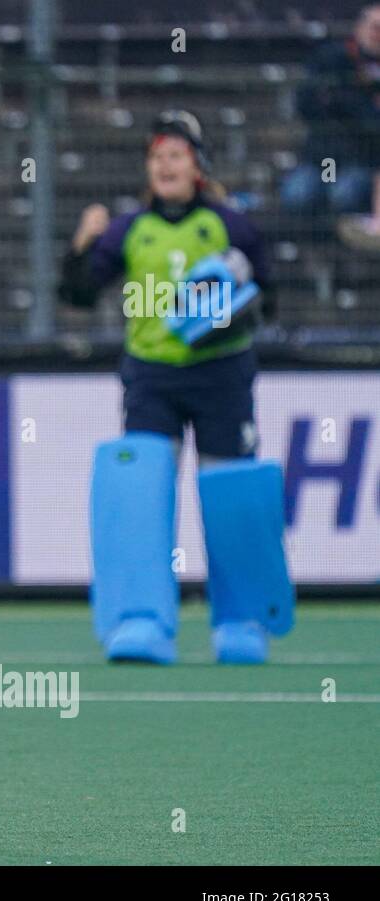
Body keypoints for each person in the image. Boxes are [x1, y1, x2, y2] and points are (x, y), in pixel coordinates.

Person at [59, 110, 294, 665]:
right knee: (141, 490)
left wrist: (236, 304)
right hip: (152, 375)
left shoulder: (230, 225)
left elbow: (271, 297)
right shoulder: (128, 229)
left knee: (231, 491)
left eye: (176, 155)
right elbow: (78, 294)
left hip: (222, 375)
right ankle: (141, 620)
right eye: (157, 156)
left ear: (197, 166)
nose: (165, 165)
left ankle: (240, 622)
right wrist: (80, 244)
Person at [280, 3, 380, 242]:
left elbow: (370, 122)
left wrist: (342, 100)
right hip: (320, 158)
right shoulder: (332, 57)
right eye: (374, 26)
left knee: (344, 195)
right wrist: (353, 100)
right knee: (296, 194)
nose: (377, 34)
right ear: (359, 27)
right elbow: (307, 103)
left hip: (362, 162)